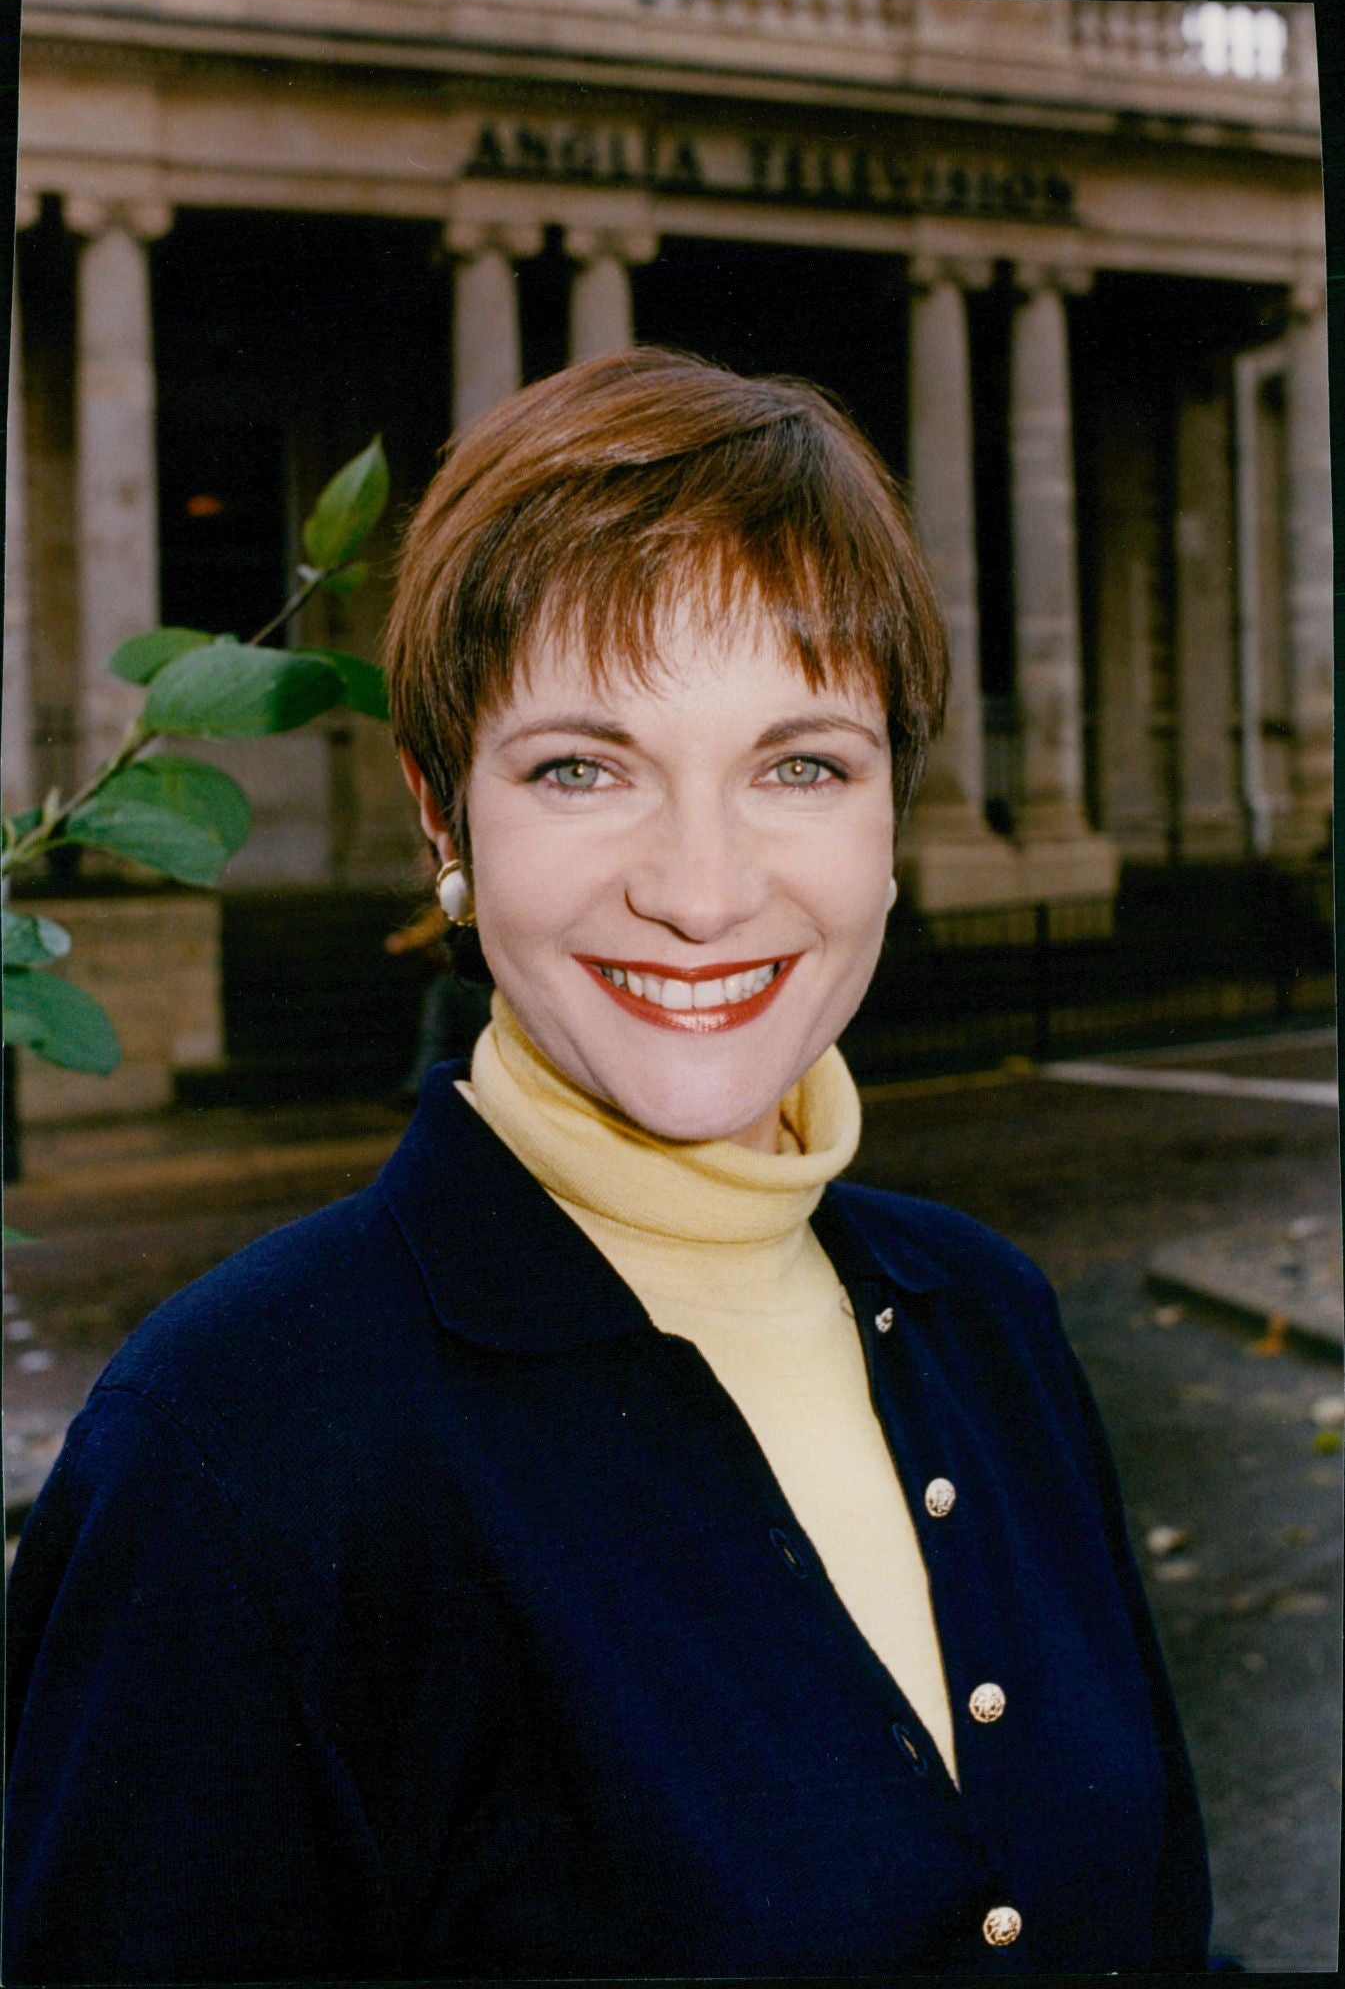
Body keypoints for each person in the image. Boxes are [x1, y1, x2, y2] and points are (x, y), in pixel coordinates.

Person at [3, 347, 1214, 1982]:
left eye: (801, 764)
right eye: (582, 766)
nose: (702, 892)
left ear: (889, 815)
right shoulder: (237, 1449)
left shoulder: (983, 1316)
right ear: (445, 817)